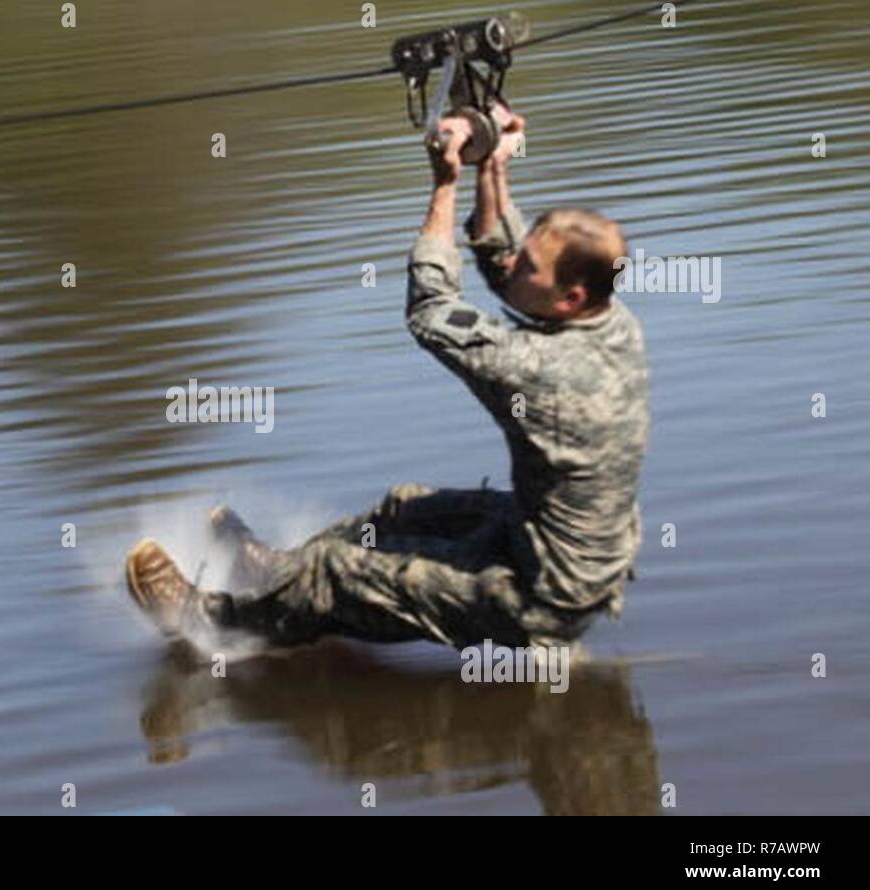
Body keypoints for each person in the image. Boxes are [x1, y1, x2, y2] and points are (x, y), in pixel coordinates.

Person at [126, 107, 649, 652]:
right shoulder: (613, 323)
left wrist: (445, 185)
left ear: (571, 298)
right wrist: (492, 165)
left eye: (530, 266)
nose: (513, 264)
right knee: (402, 508)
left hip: (539, 595)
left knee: (334, 574)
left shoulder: (543, 372)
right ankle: (278, 573)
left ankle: (206, 619)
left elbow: (431, 311)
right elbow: (505, 263)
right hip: (548, 544)